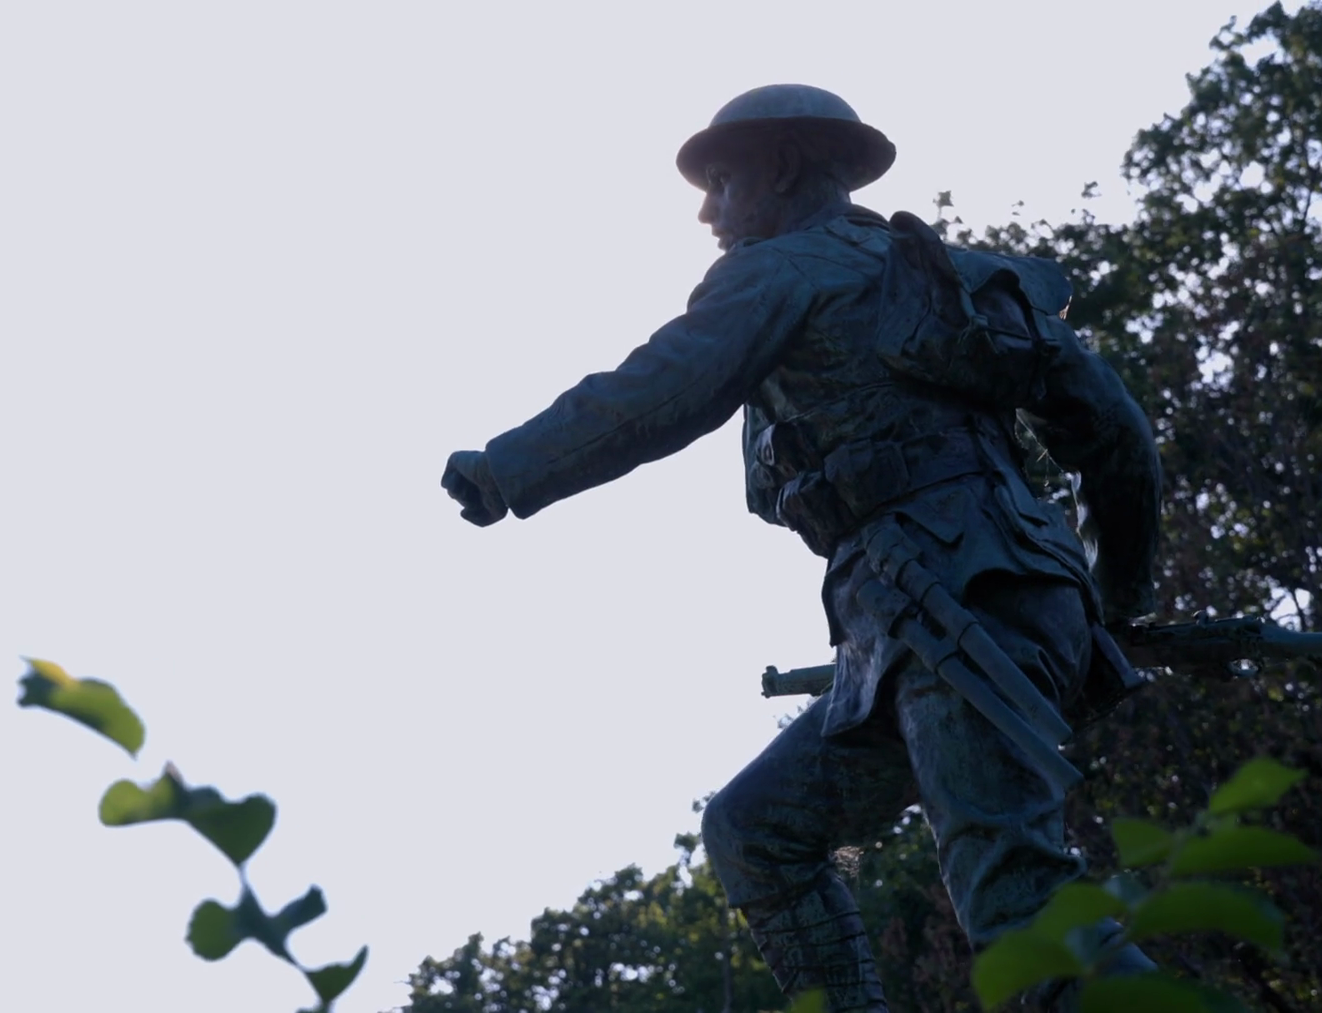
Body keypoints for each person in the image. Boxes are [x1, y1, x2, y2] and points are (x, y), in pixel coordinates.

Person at [441, 84, 1162, 1011]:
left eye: (721, 182)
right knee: (757, 833)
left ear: (781, 168)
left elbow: (659, 391)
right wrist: (1113, 602)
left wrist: (508, 467)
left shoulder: (780, 270)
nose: (707, 213)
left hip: (948, 612)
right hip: (944, 621)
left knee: (1023, 908)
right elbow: (1119, 435)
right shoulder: (956, 276)